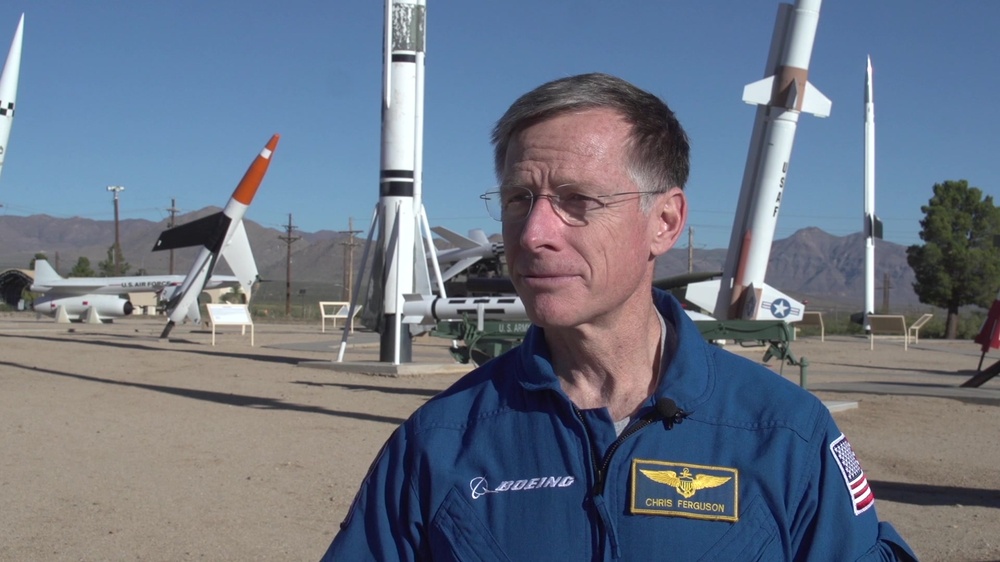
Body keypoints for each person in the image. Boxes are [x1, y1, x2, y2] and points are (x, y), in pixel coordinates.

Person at [321, 73, 916, 561]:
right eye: (518, 200)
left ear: (664, 222)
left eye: (578, 201)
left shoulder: (783, 437)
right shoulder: (440, 442)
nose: (533, 235)